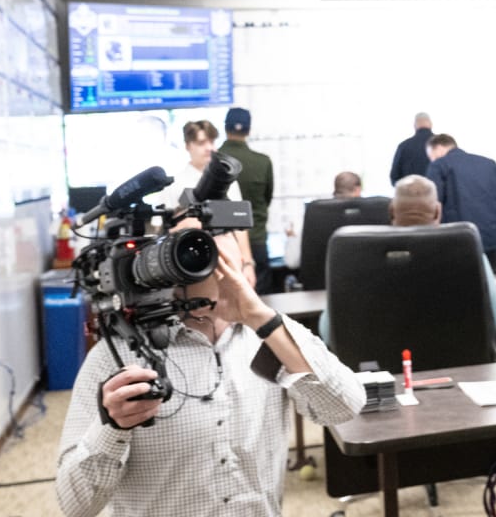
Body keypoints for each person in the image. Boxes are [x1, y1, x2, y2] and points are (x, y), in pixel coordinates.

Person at [56, 231, 365, 517]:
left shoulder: (270, 335)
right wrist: (112, 428)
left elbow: (345, 407)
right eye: (192, 250)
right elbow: (75, 506)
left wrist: (261, 318)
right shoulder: (116, 356)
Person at [317, 175, 496, 347]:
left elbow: (328, 331)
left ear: (391, 211)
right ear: (437, 211)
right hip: (466, 371)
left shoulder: (355, 257)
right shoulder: (468, 252)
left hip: (380, 379)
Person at [157, 120, 256, 287]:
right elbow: (160, 229)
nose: (209, 148)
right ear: (188, 146)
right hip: (191, 263)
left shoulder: (228, 182)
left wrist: (247, 264)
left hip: (229, 258)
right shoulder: (173, 184)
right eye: (201, 143)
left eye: (212, 142)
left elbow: (240, 227)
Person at [425, 134, 496, 273]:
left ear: (438, 148)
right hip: (494, 239)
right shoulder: (488, 163)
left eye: (430, 155)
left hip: (459, 243)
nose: (431, 159)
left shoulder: (439, 165)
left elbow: (434, 204)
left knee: (465, 290)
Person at [218, 107, 276, 294]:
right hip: (256, 238)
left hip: (225, 244)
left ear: (225, 129)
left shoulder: (214, 161)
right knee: (262, 303)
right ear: (249, 130)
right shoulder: (263, 162)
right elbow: (266, 199)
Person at [389, 112, 433, 185]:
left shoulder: (403, 146)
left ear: (415, 125)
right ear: (431, 124)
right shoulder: (443, 146)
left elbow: (394, 177)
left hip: (409, 194)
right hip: (435, 195)